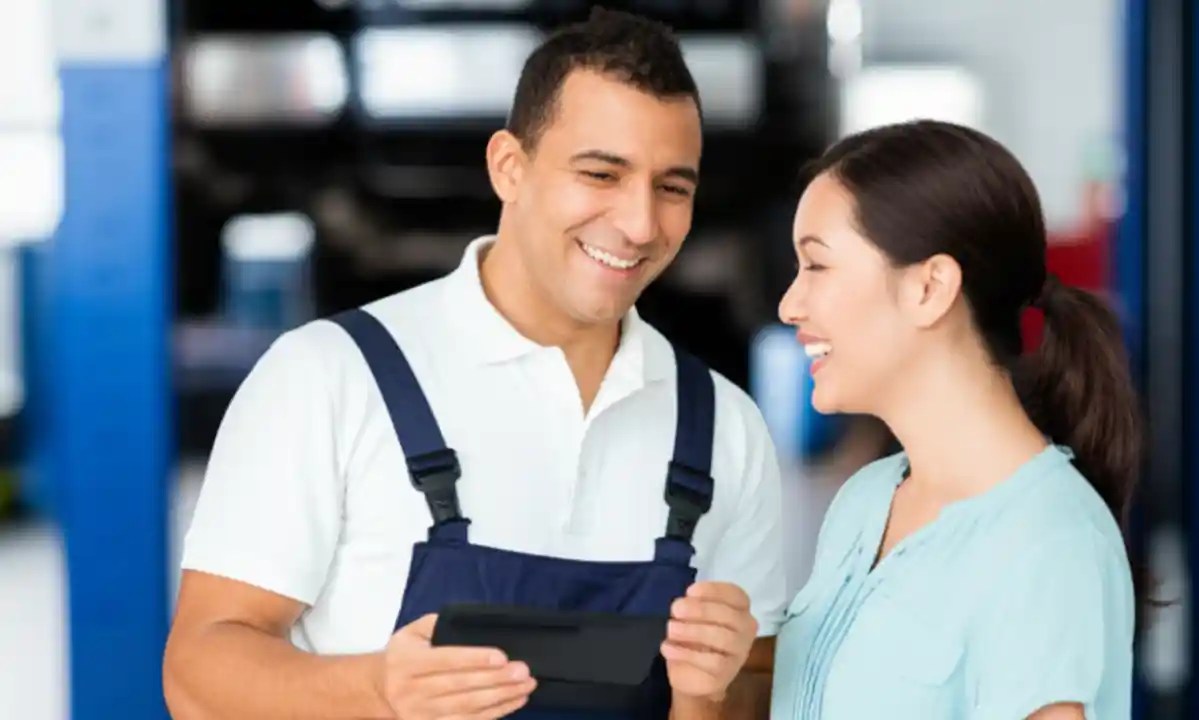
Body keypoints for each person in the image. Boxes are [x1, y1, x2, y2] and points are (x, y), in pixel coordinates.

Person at [162, 9, 784, 720]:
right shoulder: (327, 379)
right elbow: (197, 672)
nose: (641, 223)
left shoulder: (722, 429)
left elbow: (753, 693)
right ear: (508, 168)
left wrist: (715, 691)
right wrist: (375, 689)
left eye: (672, 187)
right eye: (601, 174)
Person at [770, 120, 1142, 719]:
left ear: (930, 287)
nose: (790, 304)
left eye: (816, 267)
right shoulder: (863, 502)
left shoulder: (1047, 545)